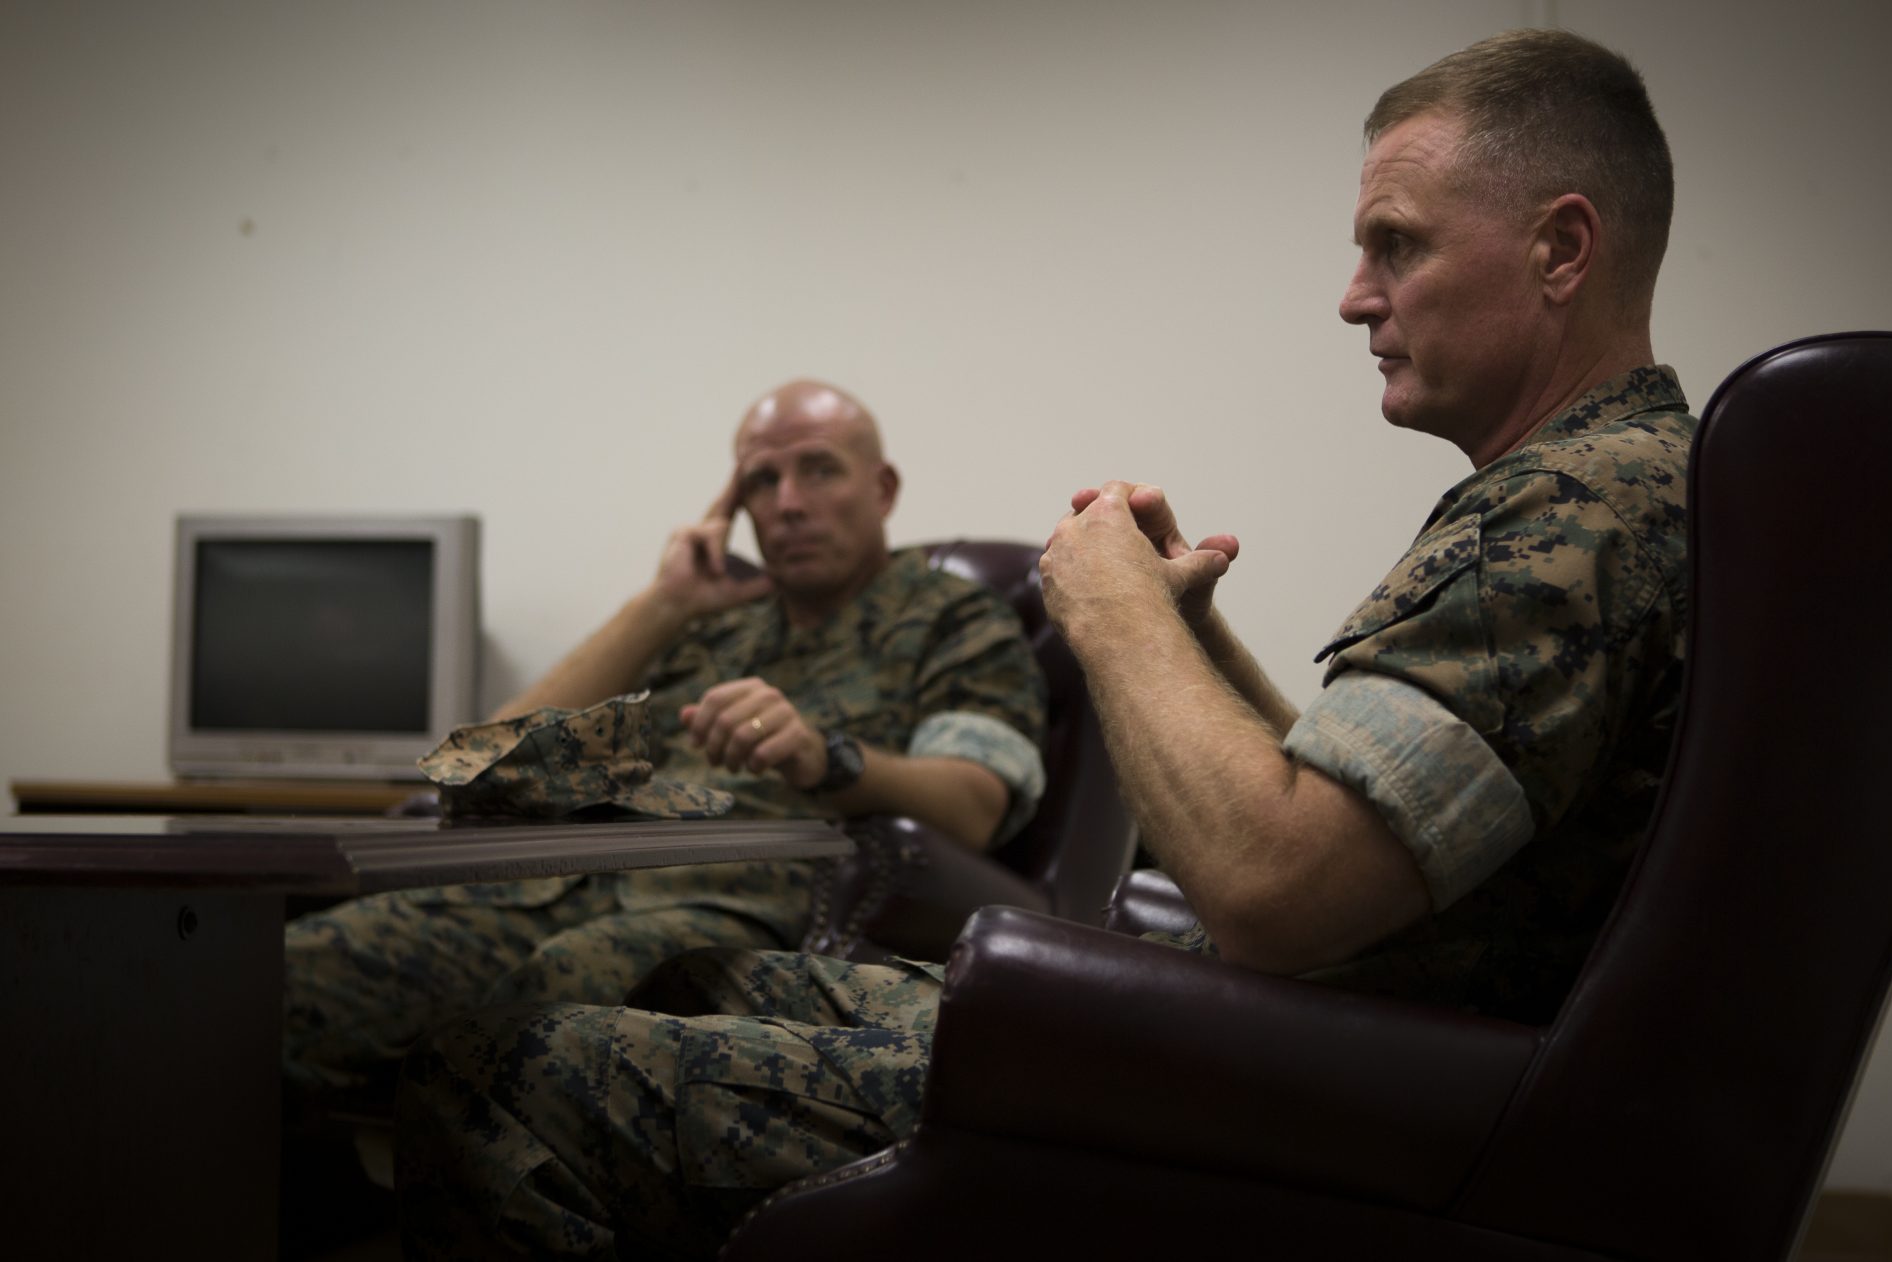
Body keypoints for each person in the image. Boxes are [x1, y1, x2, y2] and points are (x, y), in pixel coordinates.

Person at [394, 29, 1693, 1258]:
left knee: (516, 1059)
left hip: (1281, 1079)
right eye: (761, 480)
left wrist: (1112, 619)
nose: (1354, 298)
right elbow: (1374, 817)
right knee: (669, 981)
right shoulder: (1603, 488)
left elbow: (1274, 886)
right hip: (1289, 1040)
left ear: (1559, 250)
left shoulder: (1564, 513)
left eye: (1395, 245)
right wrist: (1186, 638)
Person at [282, 379, 1048, 1116]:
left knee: (532, 1012)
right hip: (557, 885)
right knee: (278, 981)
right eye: (761, 480)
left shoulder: (953, 618)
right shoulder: (715, 630)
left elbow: (975, 803)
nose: (788, 502)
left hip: (737, 905)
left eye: (819, 469)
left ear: (881, 489)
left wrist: (828, 756)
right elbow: (483, 770)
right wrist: (662, 605)